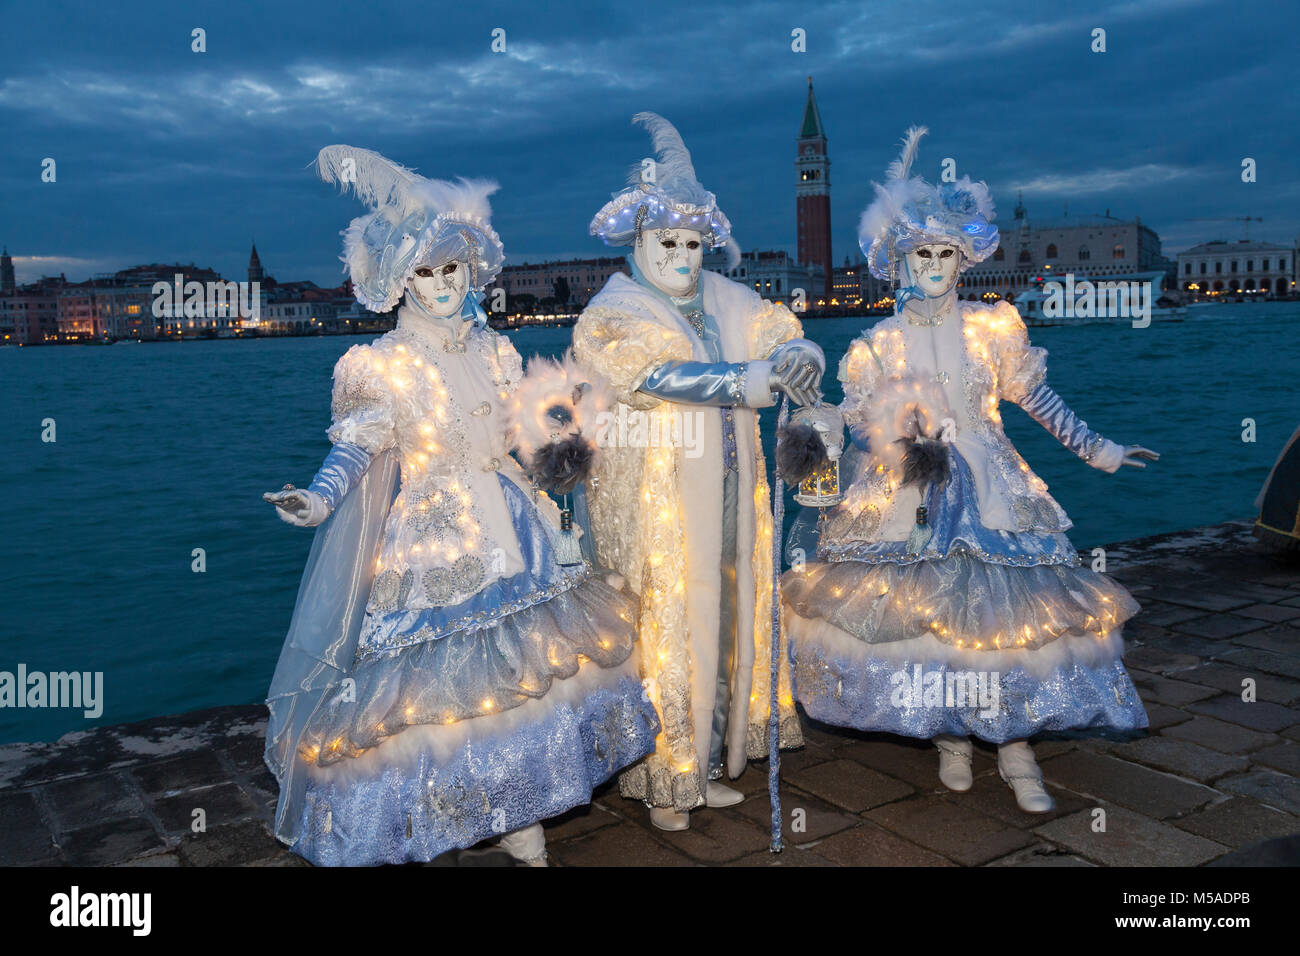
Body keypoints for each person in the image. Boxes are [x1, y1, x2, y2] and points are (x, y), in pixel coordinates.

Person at [262, 146, 658, 865]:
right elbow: (356, 450)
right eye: (425, 272)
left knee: (533, 673)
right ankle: (462, 807)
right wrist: (318, 500)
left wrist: (560, 441)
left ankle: (524, 810)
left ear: (470, 271)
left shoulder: (496, 352)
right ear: (398, 280)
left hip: (517, 521)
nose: (442, 284)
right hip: (437, 541)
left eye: (452, 269)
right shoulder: (377, 368)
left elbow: (523, 434)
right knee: (447, 687)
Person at [781, 128, 1157, 813]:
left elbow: (1033, 397)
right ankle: (951, 735)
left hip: (990, 486)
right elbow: (860, 417)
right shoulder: (879, 342)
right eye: (922, 252)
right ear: (903, 261)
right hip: (905, 490)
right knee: (924, 620)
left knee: (1001, 623)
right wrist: (819, 430)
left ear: (962, 262)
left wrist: (1097, 447)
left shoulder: (994, 327)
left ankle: (1014, 752)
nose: (933, 264)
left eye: (945, 254)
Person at [572, 113, 820, 830]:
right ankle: (664, 778)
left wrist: (804, 358)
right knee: (669, 631)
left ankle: (711, 760)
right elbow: (657, 377)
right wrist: (752, 377)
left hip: (735, 500)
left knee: (727, 619)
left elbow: (783, 333)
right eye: (667, 243)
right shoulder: (612, 311)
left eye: (692, 243)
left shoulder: (726, 298)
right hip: (661, 506)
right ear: (640, 243)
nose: (683, 256)